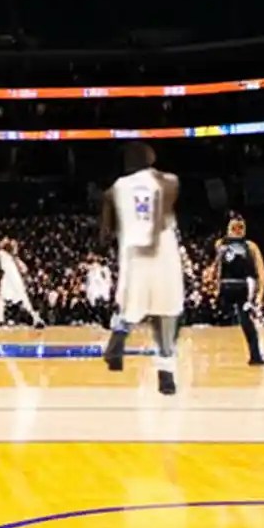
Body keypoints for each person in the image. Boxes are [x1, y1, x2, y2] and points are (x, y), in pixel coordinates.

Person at [100, 142, 184, 396]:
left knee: (131, 307)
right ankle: (166, 375)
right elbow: (164, 211)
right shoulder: (168, 180)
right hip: (162, 250)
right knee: (166, 315)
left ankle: (118, 337)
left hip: (133, 252)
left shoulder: (117, 187)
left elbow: (105, 233)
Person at [212, 215, 264, 365]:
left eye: (240, 227)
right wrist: (215, 285)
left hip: (244, 287)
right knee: (215, 318)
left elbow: (261, 272)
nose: (237, 230)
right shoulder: (221, 244)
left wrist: (260, 295)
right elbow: (218, 266)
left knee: (247, 323)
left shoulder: (251, 246)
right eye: (234, 227)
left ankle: (255, 355)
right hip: (226, 285)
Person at [0, 239, 46, 329]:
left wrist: (6, 242)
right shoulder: (5, 255)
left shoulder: (11, 258)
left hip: (13, 279)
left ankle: (36, 319)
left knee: (22, 300)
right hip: (9, 279)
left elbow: (25, 269)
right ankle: (0, 320)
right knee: (2, 298)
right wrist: (6, 242)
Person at [83, 254, 113, 325]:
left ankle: (104, 321)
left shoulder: (101, 268)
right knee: (97, 304)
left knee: (99, 304)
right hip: (99, 288)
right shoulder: (100, 268)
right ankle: (102, 320)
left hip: (99, 288)